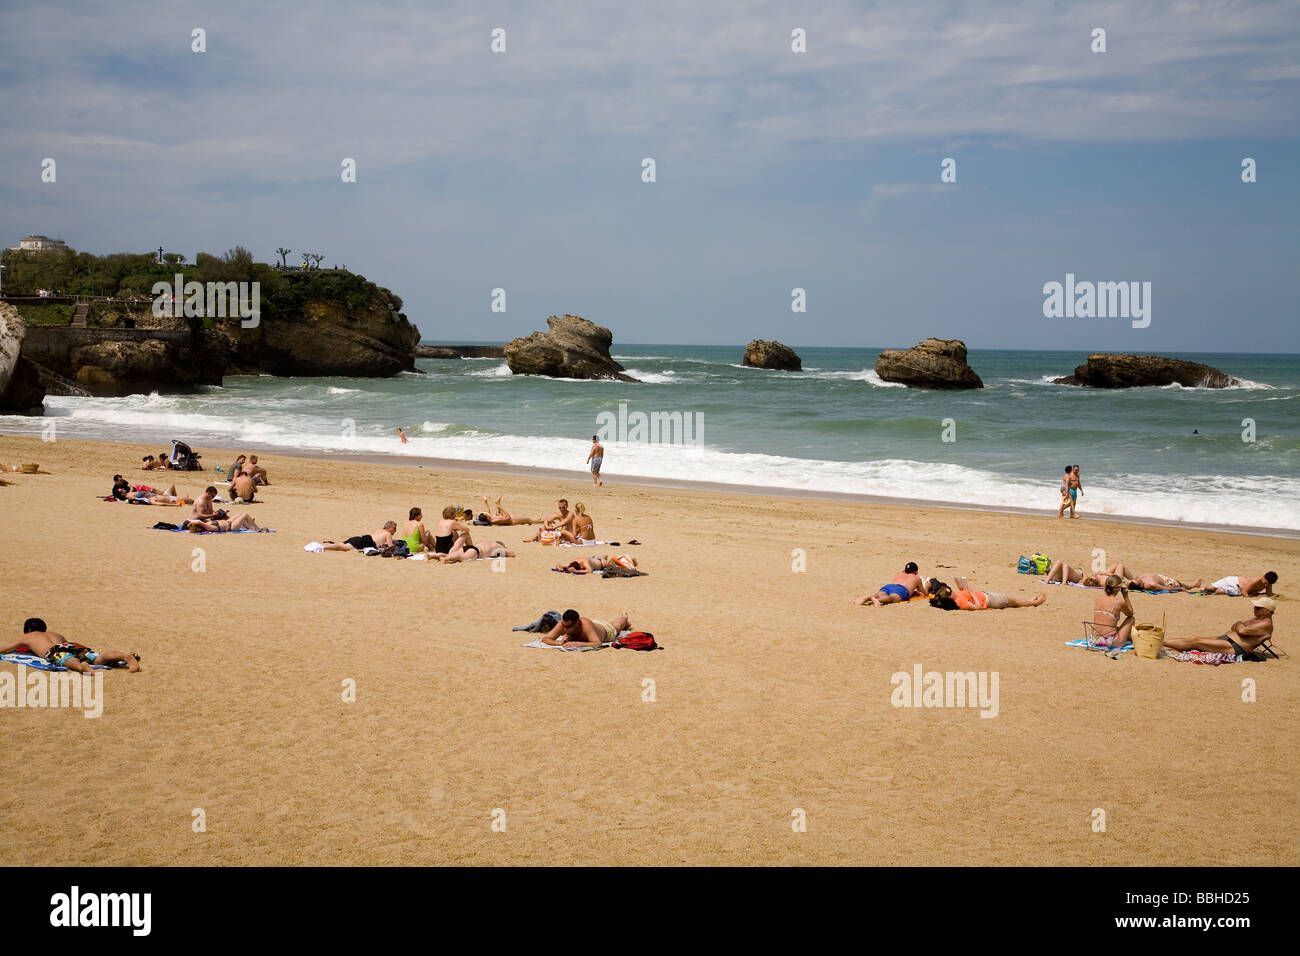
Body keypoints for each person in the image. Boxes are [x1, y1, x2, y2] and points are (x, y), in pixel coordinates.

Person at [2, 618, 140, 673]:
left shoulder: (27, 637)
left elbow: (5, 649)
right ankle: (124, 656)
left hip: (54, 651)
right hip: (69, 644)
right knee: (97, 658)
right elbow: (64, 647)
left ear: (29, 630)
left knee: (68, 660)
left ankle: (81, 667)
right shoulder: (55, 634)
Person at [1163, 597, 1275, 657]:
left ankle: (1160, 642)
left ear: (1267, 611)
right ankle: (1163, 642)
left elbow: (1241, 629)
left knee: (1195, 641)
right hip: (1227, 639)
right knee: (1193, 639)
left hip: (1234, 647)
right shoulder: (1256, 619)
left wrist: (1239, 624)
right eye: (1255, 607)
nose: (1254, 609)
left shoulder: (1266, 624)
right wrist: (1239, 625)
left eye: (1258, 608)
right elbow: (1234, 627)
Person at [929, 576, 1046, 610]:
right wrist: (972, 593)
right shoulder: (960, 602)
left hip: (987, 595)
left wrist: (963, 587)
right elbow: (978, 607)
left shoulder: (957, 595)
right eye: (949, 589)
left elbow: (963, 591)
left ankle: (1030, 601)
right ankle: (1033, 603)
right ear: (948, 594)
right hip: (990, 600)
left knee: (1014, 601)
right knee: (1014, 601)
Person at [541, 608, 630, 648]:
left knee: (617, 625)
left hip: (607, 631)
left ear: (577, 623)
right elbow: (545, 639)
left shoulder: (585, 624)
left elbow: (597, 643)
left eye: (568, 627)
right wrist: (559, 642)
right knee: (606, 624)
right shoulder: (563, 624)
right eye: (564, 626)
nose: (565, 629)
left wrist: (578, 644)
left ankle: (624, 617)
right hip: (595, 626)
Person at [855, 561, 928, 606]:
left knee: (879, 595)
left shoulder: (899, 574)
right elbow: (924, 593)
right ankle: (877, 600)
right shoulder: (916, 578)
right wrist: (927, 586)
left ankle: (870, 597)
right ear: (916, 572)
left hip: (889, 586)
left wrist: (914, 592)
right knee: (891, 598)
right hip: (901, 590)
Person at [1092, 575, 1136, 648]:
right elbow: (1130, 613)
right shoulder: (1118, 602)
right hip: (1111, 641)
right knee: (1131, 619)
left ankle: (1127, 637)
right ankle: (1128, 638)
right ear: (1118, 588)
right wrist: (1125, 596)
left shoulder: (1098, 598)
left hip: (1095, 639)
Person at [323, 521, 398, 552]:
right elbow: (391, 547)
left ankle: (322, 545)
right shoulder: (387, 534)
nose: (395, 531)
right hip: (366, 543)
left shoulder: (379, 530)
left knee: (341, 545)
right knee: (342, 548)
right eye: (394, 528)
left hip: (360, 538)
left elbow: (378, 541)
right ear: (390, 528)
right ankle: (322, 547)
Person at [477, 496, 543, 525]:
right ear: (487, 517)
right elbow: (508, 518)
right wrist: (501, 507)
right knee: (530, 520)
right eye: (486, 514)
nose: (487, 513)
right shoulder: (494, 520)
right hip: (513, 520)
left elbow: (487, 511)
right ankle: (546, 521)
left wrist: (486, 502)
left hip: (508, 518)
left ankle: (543, 521)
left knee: (533, 520)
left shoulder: (490, 518)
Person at [1205, 571, 1278, 598]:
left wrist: (1274, 595)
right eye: (1265, 583)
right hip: (1233, 582)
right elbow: (1244, 592)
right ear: (1264, 576)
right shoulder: (1256, 580)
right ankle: (1198, 585)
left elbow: (1269, 594)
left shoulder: (1268, 582)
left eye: (1267, 584)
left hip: (1237, 590)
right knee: (1208, 588)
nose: (1266, 585)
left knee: (1219, 591)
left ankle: (1221, 590)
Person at [1044, 559, 1110, 587]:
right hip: (1058, 577)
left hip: (1062, 577)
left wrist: (1064, 582)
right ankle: (1049, 579)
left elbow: (1066, 565)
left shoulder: (1084, 577)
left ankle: (1048, 580)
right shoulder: (1091, 579)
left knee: (1059, 562)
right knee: (1059, 563)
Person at [438, 540, 515, 563]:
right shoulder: (499, 547)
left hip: (471, 547)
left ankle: (433, 556)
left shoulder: (488, 542)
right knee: (462, 558)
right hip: (476, 551)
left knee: (452, 554)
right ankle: (445, 559)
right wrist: (505, 548)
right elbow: (512, 554)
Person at [554, 554, 637, 573]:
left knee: (612, 562)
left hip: (600, 563)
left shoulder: (584, 562)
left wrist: (576, 571)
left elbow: (589, 570)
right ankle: (604, 556)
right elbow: (558, 564)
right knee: (604, 559)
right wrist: (560, 568)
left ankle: (631, 559)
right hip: (594, 559)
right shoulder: (571, 563)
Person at [184, 513, 264, 532]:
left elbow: (199, 521)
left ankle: (249, 525)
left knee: (240, 514)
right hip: (232, 527)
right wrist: (191, 521)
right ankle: (257, 528)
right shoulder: (209, 527)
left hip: (228, 522)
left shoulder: (207, 525)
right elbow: (198, 521)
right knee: (245, 514)